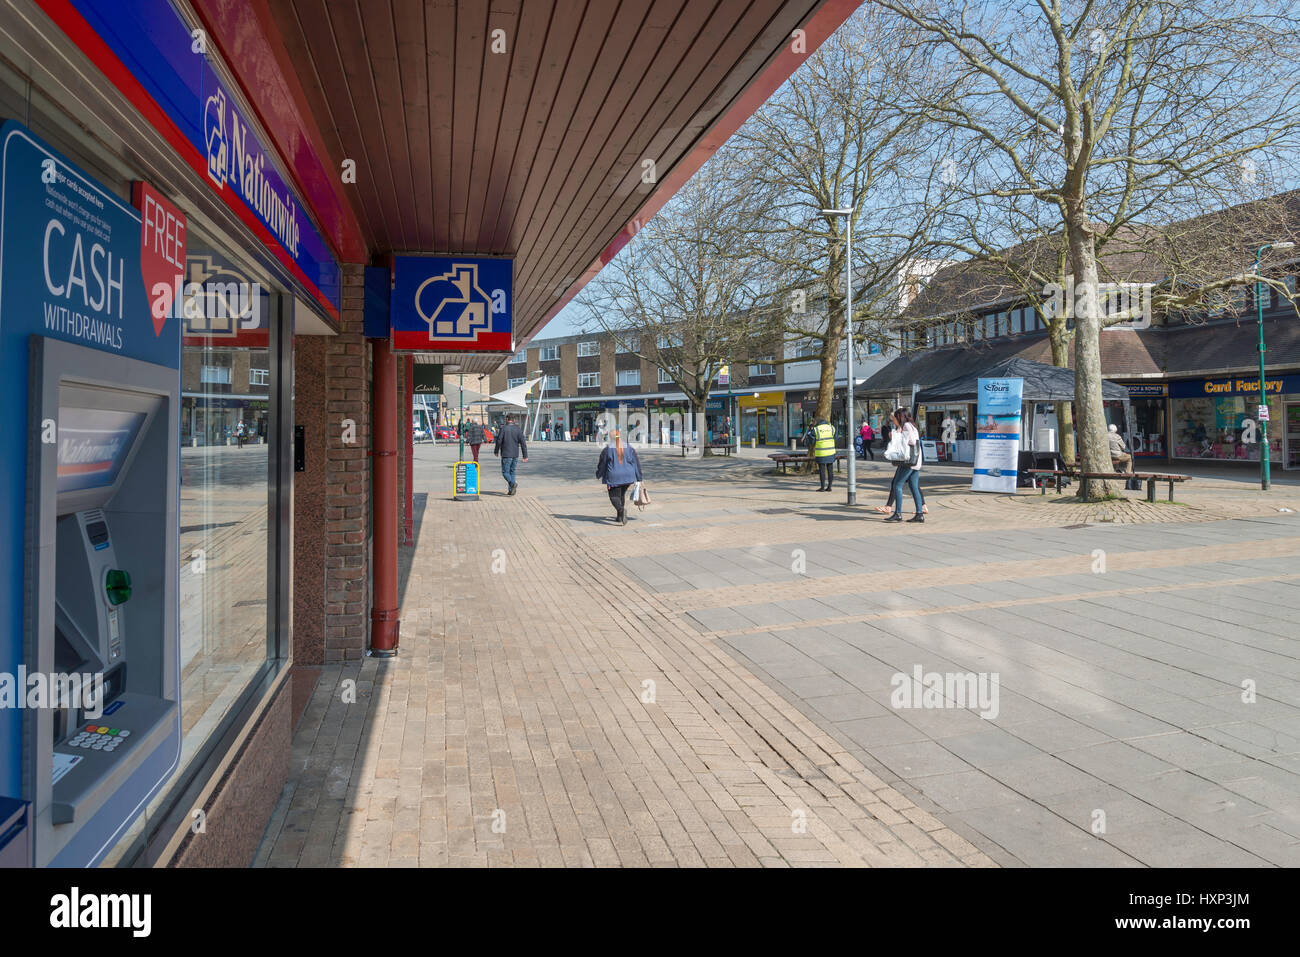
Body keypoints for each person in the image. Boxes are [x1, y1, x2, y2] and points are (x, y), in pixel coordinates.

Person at [884, 408, 924, 523]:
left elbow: (910, 441)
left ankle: (898, 513)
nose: (895, 420)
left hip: (908, 461)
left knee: (897, 485)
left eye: (896, 417)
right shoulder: (912, 425)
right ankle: (919, 514)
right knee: (914, 486)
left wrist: (896, 437)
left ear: (900, 417)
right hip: (915, 461)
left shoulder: (906, 425)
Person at [596, 429, 642, 525]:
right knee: (621, 495)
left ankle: (621, 511)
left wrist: (598, 474)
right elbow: (636, 463)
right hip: (628, 477)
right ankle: (619, 517)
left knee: (613, 497)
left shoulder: (607, 449)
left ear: (610, 438)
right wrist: (639, 478)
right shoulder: (629, 447)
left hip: (614, 477)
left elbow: (602, 464)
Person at [493, 414, 528, 495]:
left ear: (507, 419)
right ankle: (511, 490)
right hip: (515, 454)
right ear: (514, 420)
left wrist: (496, 451)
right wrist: (525, 455)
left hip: (506, 454)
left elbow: (499, 440)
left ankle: (512, 484)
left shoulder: (504, 428)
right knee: (512, 471)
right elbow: (523, 443)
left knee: (505, 472)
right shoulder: (518, 429)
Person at [803, 416, 837, 492]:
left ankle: (822, 487)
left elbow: (812, 442)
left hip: (821, 453)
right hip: (831, 452)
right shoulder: (832, 428)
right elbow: (836, 438)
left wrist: (809, 433)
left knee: (822, 470)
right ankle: (829, 487)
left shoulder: (816, 429)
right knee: (830, 470)